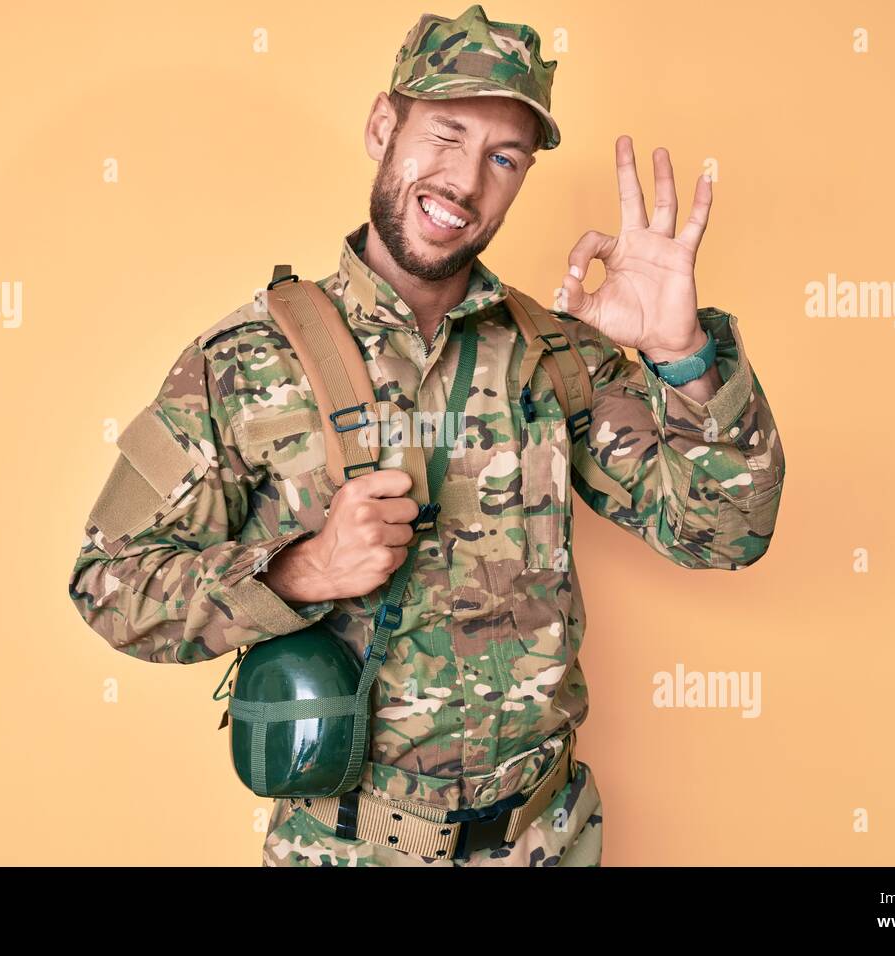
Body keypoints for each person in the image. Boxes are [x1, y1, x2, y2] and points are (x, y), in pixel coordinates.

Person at [67, 3, 786, 866]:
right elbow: (109, 583)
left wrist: (681, 355)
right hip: (346, 849)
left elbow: (725, 535)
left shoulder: (557, 357)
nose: (464, 181)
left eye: (502, 157)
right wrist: (301, 571)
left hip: (546, 841)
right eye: (444, 135)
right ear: (383, 127)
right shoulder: (245, 360)